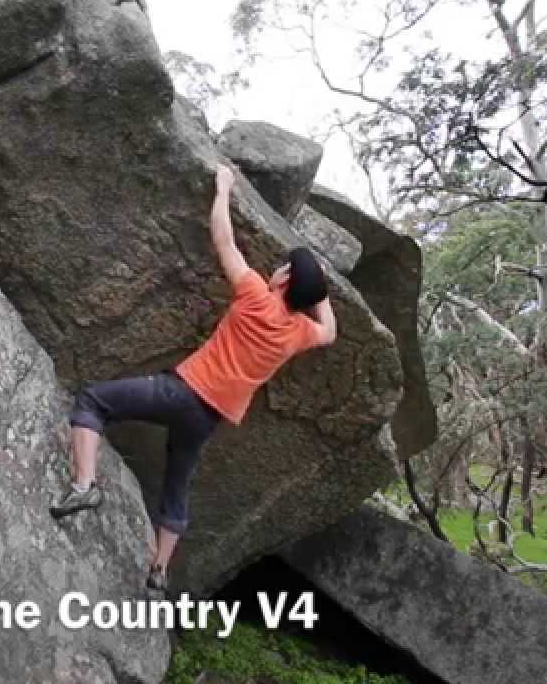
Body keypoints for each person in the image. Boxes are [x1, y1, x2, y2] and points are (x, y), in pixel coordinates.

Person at [49, 163, 338, 591]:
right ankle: (160, 569)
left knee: (93, 400)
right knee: (177, 482)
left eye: (284, 267)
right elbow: (330, 332)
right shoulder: (298, 333)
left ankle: (84, 484)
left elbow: (223, 238)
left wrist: (222, 189)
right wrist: (322, 292)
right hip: (208, 418)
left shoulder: (256, 295)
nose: (278, 268)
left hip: (181, 391)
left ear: (284, 279)